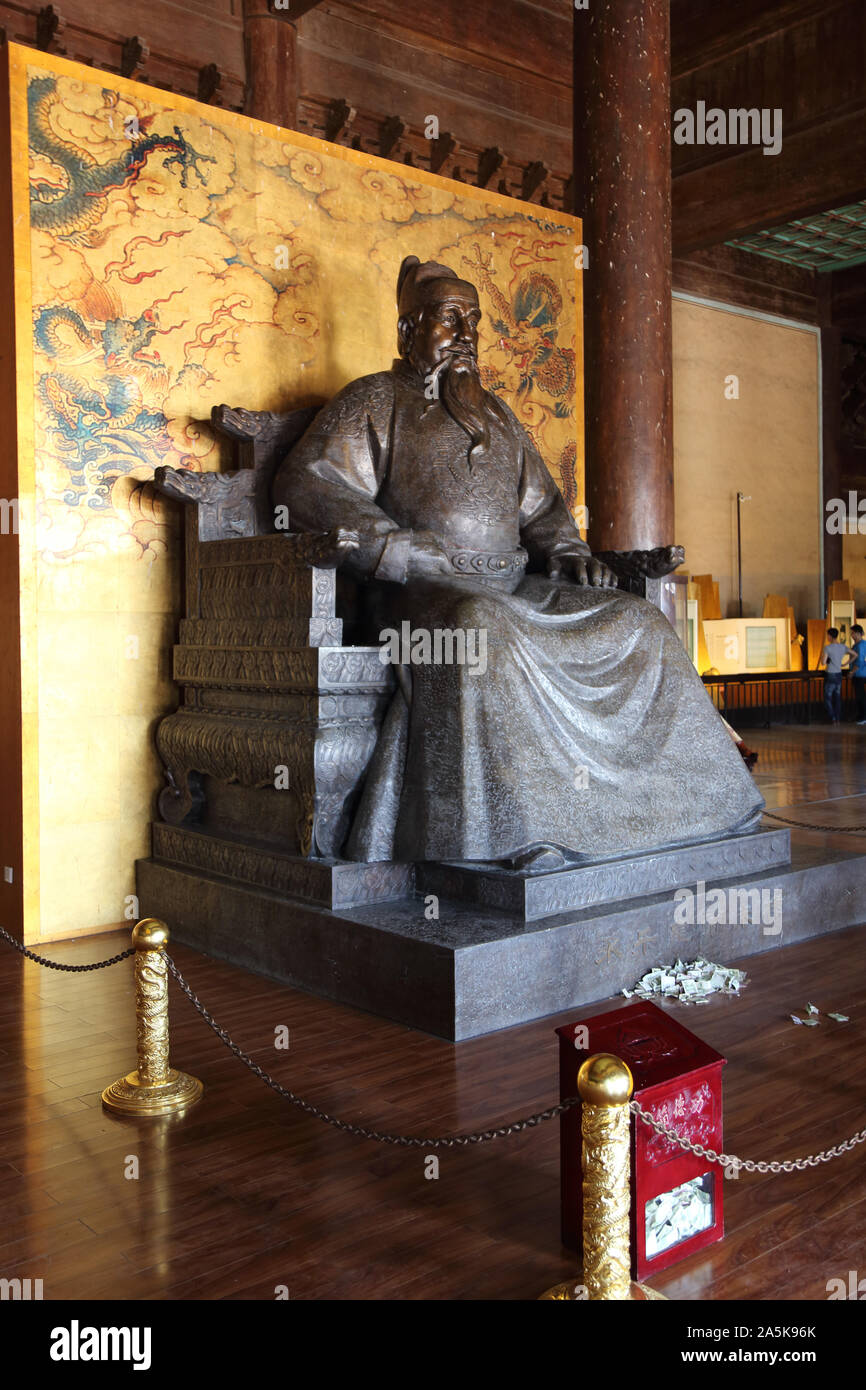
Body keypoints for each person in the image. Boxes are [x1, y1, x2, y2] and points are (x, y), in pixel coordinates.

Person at [273, 255, 764, 869]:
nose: (467, 334)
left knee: (641, 625)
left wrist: (568, 553)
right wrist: (390, 545)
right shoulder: (376, 401)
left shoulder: (499, 417)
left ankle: (679, 813)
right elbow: (306, 483)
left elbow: (544, 511)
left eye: (474, 320)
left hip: (516, 585)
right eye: (450, 319)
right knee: (482, 628)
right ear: (408, 331)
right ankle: (515, 838)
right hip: (422, 598)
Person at [820, 627, 853, 724]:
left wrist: (828, 660)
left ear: (830, 636)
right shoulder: (842, 647)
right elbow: (855, 654)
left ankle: (833, 717)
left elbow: (823, 662)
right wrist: (846, 663)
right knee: (837, 697)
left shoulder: (827, 648)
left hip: (830, 674)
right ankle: (838, 718)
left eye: (827, 635)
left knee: (828, 697)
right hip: (839, 674)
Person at [850, 624, 866, 724]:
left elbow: (859, 661)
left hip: (860, 674)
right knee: (860, 696)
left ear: (857, 633)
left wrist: (852, 671)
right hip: (860, 673)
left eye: (852, 633)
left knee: (860, 696)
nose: (851, 635)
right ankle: (861, 716)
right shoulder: (859, 644)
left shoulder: (860, 645)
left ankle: (863, 717)